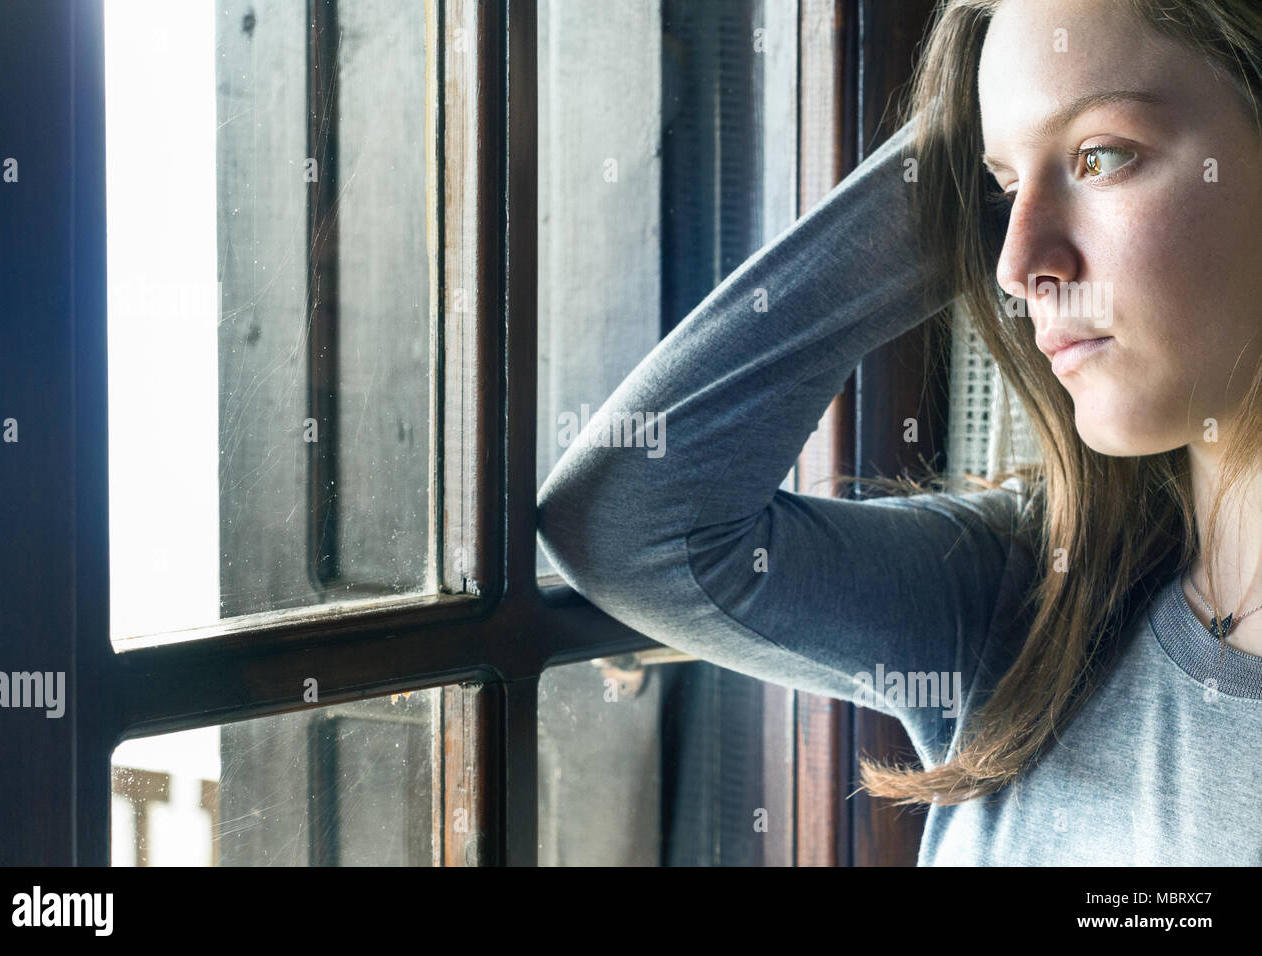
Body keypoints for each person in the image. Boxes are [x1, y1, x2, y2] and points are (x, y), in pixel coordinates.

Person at [536, 0, 1262, 865]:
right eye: (998, 189)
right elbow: (626, 522)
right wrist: (972, 114)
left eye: (1102, 156)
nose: (1014, 264)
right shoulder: (1032, 599)